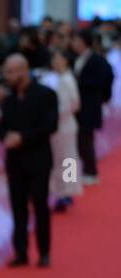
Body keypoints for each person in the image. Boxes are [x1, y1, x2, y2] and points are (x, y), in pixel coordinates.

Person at [0, 53, 57, 267]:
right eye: (6, 72)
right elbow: (1, 127)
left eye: (11, 72)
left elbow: (50, 126)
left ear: (24, 70)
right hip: (15, 162)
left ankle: (44, 252)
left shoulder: (46, 94)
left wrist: (22, 137)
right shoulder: (8, 99)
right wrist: (6, 137)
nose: (8, 76)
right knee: (17, 208)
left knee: (40, 206)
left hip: (39, 160)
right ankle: (20, 252)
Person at [70, 30, 114, 185]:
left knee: (85, 141)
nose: (73, 43)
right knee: (76, 142)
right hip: (75, 108)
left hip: (88, 107)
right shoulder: (76, 59)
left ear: (83, 42)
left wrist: (102, 97)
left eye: (76, 40)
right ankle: (75, 174)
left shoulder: (96, 60)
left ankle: (90, 171)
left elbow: (105, 78)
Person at [44, 50, 82, 212]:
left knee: (67, 160)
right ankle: (65, 192)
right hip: (62, 126)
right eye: (54, 58)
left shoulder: (67, 79)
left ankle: (67, 192)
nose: (55, 62)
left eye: (58, 58)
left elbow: (74, 104)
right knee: (65, 160)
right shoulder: (60, 79)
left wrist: (55, 114)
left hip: (64, 126)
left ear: (65, 61)